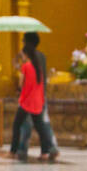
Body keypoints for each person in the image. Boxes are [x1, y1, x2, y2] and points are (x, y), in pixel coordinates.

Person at [22, 31, 59, 162]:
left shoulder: (30, 58)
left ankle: (22, 148)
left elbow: (27, 79)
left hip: (31, 97)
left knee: (26, 123)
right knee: (43, 123)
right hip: (41, 95)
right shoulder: (42, 56)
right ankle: (51, 147)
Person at [10, 40, 46, 162]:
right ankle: (45, 152)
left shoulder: (25, 67)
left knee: (16, 125)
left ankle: (13, 151)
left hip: (26, 101)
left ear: (26, 55)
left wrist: (18, 68)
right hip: (37, 101)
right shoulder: (38, 68)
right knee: (40, 127)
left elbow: (21, 84)